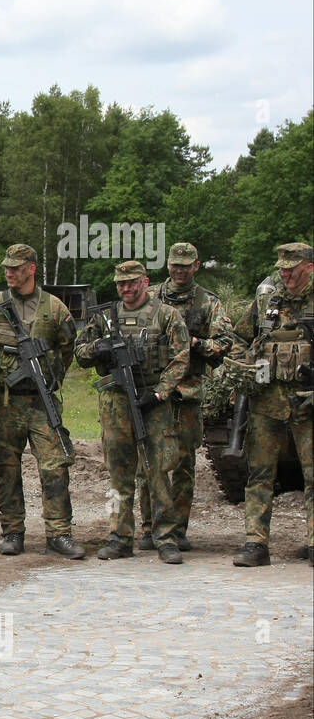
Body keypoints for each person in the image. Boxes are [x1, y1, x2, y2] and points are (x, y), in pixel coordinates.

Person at [75, 260, 190, 563]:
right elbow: (80, 352)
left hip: (153, 401)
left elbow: (181, 358)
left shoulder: (166, 315)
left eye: (131, 283)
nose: (125, 288)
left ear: (145, 282)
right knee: (119, 473)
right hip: (115, 401)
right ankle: (119, 537)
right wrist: (97, 348)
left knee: (159, 470)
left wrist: (160, 391)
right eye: (120, 284)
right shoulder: (104, 318)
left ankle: (166, 538)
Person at [0, 245, 85, 559]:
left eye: (16, 267)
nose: (9, 272)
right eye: (7, 267)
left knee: (55, 466)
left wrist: (51, 376)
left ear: (31, 269)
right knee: (6, 467)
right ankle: (12, 531)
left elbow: (68, 347)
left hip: (41, 401)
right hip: (5, 402)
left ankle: (59, 533)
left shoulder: (54, 307)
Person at [134, 242, 235, 551]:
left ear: (196, 266)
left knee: (183, 464)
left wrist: (193, 343)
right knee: (147, 464)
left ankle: (177, 529)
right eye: (175, 264)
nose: (179, 270)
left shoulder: (208, 303)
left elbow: (224, 343)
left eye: (185, 265)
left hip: (186, 394)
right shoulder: (150, 297)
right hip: (152, 392)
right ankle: (150, 526)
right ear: (168, 265)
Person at [233, 242, 313, 566]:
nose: (286, 275)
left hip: (308, 402)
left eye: (292, 270)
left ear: (309, 267)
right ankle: (256, 544)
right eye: (282, 269)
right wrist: (244, 366)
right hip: (267, 402)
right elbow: (239, 337)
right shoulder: (268, 299)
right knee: (260, 474)